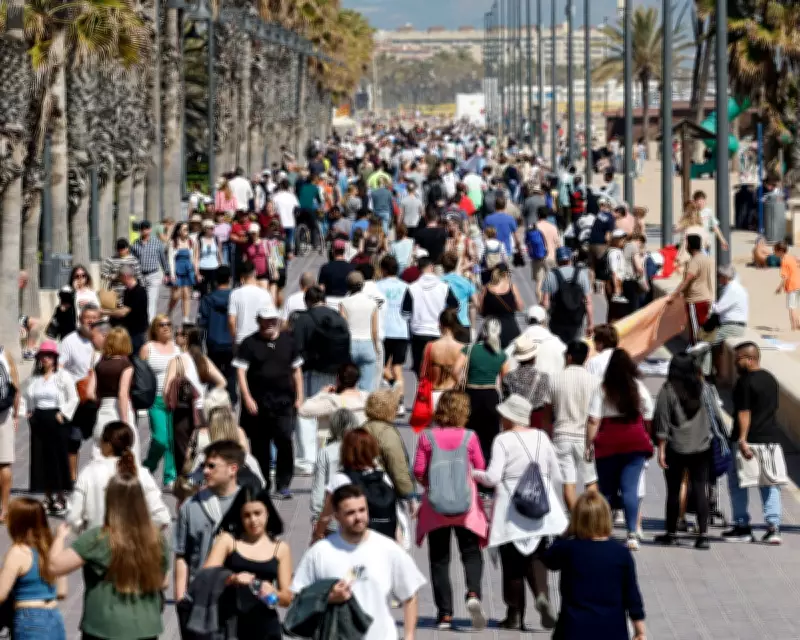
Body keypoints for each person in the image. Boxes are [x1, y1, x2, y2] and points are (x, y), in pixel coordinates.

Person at [472, 393, 564, 631]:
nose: (500, 419)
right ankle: (542, 595)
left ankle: (514, 616)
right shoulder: (543, 437)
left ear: (511, 418)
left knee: (511, 563)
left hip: (511, 509)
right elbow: (557, 474)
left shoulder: (502, 440)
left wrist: (473, 473)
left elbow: (492, 478)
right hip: (539, 508)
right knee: (537, 555)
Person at [48, 466, 171, 640]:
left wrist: (60, 537)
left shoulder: (98, 538)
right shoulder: (156, 538)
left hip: (104, 628)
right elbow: (163, 582)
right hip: (145, 628)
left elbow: (55, 566)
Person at [293, 484, 426, 640]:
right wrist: (328, 597)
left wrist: (409, 636)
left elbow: (410, 594)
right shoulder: (320, 552)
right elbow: (297, 597)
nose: (358, 517)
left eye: (362, 510)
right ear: (337, 516)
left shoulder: (388, 548)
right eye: (350, 513)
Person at [413, 390, 488, 630]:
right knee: (471, 552)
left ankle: (444, 614)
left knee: (439, 559)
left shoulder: (427, 437)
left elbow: (418, 470)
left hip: (436, 506)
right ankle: (473, 593)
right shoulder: (470, 437)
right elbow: (480, 467)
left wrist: (430, 485)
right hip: (466, 506)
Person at [543, 492, 647, 640]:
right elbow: (632, 595)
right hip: (612, 630)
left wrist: (564, 534)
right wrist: (640, 630)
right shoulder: (621, 554)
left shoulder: (568, 549)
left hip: (573, 629)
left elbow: (548, 559)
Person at [586, 349, 655, 550]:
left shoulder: (603, 388)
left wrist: (588, 444)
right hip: (634, 441)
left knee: (605, 489)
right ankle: (632, 533)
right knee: (630, 489)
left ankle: (603, 532)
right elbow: (649, 415)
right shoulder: (638, 387)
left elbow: (593, 419)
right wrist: (648, 437)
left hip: (608, 442)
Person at [203, 487, 292, 640]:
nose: (253, 520)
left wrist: (273, 593)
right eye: (247, 515)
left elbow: (287, 599)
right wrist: (232, 578)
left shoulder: (280, 549)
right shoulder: (228, 541)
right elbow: (205, 578)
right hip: (230, 625)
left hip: (265, 627)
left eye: (258, 513)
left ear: (268, 513)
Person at [653, 353, 721, 549]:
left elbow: (662, 420)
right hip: (702, 447)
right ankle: (703, 536)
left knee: (673, 491)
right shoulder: (705, 388)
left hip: (676, 447)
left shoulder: (668, 389)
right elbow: (715, 414)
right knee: (701, 489)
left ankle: (671, 533)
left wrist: (661, 449)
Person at [235, 307, 303, 499]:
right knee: (259, 446)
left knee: (285, 442)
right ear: (259, 321)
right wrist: (247, 397)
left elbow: (297, 370)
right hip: (258, 404)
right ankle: (263, 483)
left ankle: (283, 483)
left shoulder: (288, 341)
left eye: (274, 319)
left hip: (284, 402)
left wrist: (300, 397)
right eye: (266, 320)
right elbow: (241, 372)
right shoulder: (249, 343)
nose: (271, 323)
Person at [174, 440, 250, 604]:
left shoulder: (250, 505)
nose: (205, 472)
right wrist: (180, 599)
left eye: (212, 466)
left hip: (240, 601)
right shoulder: (191, 506)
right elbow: (181, 555)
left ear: (232, 469)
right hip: (201, 600)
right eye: (204, 466)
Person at [722, 342, 782, 544]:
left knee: (738, 483)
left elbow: (744, 412)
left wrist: (742, 440)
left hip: (748, 441)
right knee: (770, 484)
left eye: (738, 359)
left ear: (749, 359)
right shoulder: (771, 379)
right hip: (770, 440)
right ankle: (773, 528)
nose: (735, 363)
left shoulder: (745, 382)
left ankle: (742, 526)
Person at [291, 285, 352, 474]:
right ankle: (337, 456)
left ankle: (307, 461)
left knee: (306, 413)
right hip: (336, 373)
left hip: (312, 372)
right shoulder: (337, 317)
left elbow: (296, 348)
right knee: (334, 413)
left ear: (307, 301)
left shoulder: (304, 319)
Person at [69, 421, 169, 533]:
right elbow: (162, 518)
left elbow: (73, 517)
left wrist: (85, 535)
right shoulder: (142, 474)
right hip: (132, 546)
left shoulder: (89, 473)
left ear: (108, 445)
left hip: (96, 544)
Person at [0, 498, 67, 639]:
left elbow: (1, 593)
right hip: (54, 618)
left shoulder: (18, 552)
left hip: (29, 619)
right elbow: (62, 592)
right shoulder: (51, 550)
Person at [25, 341, 78, 516]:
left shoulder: (63, 376)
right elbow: (29, 397)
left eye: (49, 356)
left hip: (56, 420)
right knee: (41, 458)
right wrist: (30, 414)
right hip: (39, 420)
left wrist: (63, 414)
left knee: (58, 458)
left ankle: (61, 497)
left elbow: (73, 398)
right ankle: (48, 496)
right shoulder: (36, 378)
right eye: (43, 356)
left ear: (55, 358)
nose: (46, 359)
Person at [549, 340, 599, 509]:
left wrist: (546, 434)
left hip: (561, 435)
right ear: (585, 358)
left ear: (569, 357)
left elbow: (547, 414)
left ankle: (575, 521)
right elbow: (596, 416)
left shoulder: (554, 379)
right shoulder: (595, 382)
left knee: (568, 482)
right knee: (590, 480)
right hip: (586, 437)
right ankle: (591, 521)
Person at [455, 318, 510, 462]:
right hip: (491, 395)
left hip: (471, 394)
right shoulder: (502, 354)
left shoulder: (469, 349)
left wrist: (461, 382)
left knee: (470, 434)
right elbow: (505, 378)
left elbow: (455, 370)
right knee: (491, 437)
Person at [58, 304, 102, 481]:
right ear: (80, 319)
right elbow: (59, 368)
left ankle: (99, 477)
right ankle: (72, 477)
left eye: (94, 317)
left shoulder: (105, 339)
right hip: (79, 398)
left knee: (101, 439)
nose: (91, 321)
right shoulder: (70, 341)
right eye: (87, 317)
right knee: (73, 439)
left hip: (100, 399)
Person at [140, 314, 181, 487]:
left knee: (172, 440)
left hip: (174, 399)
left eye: (168, 324)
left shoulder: (177, 349)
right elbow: (139, 374)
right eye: (161, 325)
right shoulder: (147, 348)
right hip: (155, 400)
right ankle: (148, 466)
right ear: (155, 329)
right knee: (160, 439)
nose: (166, 327)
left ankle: (170, 476)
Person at [403, 256, 459, 376]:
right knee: (438, 370)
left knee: (420, 372)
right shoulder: (444, 287)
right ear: (432, 267)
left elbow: (405, 313)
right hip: (437, 331)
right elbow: (456, 307)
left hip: (418, 332)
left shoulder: (411, 287)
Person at [311, 409, 360, 534]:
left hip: (332, 519)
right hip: (358, 517)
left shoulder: (325, 453)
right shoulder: (362, 450)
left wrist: (317, 517)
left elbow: (319, 488)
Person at [91, 327, 137, 455]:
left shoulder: (99, 364)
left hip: (102, 413)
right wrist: (124, 422)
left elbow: (90, 392)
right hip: (118, 411)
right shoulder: (125, 365)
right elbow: (122, 394)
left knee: (99, 455)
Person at [199, 266, 236, 402]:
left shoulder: (208, 299)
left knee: (213, 376)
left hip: (213, 342)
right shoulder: (234, 297)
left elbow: (202, 323)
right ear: (230, 279)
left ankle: (214, 402)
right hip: (231, 342)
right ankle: (231, 403)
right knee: (231, 376)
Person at [668, 234, 714, 344]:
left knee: (695, 331)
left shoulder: (694, 261)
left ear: (690, 246)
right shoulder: (707, 259)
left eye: (687, 244)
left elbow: (687, 280)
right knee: (703, 327)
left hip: (695, 300)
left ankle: (695, 352)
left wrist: (674, 294)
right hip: (706, 298)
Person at [377, 255, 411, 403]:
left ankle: (393, 386)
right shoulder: (406, 286)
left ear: (383, 269)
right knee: (397, 368)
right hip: (401, 330)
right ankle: (400, 400)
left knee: (382, 368)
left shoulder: (378, 286)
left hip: (384, 331)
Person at [542, 246, 593, 343]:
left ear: (557, 260)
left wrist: (543, 322)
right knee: (575, 347)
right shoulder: (581, 274)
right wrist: (590, 323)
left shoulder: (551, 275)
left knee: (558, 347)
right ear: (570, 259)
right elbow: (588, 302)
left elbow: (545, 302)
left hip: (557, 320)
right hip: (576, 320)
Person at [339, 271, 380, 393]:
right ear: (362, 285)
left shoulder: (344, 303)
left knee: (347, 382)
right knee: (367, 385)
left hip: (350, 344)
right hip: (367, 343)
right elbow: (374, 330)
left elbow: (343, 328)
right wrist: (376, 346)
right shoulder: (372, 303)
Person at [502, 334, 553, 428]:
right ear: (534, 357)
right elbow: (545, 401)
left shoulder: (508, 378)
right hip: (536, 419)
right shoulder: (544, 377)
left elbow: (506, 401)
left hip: (515, 419)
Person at [228, 261, 277, 348]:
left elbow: (231, 321)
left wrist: (235, 337)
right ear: (255, 273)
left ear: (241, 276)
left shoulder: (234, 294)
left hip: (241, 340)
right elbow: (272, 318)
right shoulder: (265, 294)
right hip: (259, 340)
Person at [507, 305, 566, 377]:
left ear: (526, 320)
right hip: (552, 386)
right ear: (545, 321)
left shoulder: (516, 343)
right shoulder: (557, 343)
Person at [711, 264, 748, 377]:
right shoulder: (736, 287)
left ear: (725, 277)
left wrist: (709, 304)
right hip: (733, 324)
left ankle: (712, 373)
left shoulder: (732, 289)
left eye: (719, 276)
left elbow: (718, 308)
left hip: (732, 326)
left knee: (708, 343)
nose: (718, 279)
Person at [131, 220, 169, 323]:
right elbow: (132, 260)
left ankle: (150, 323)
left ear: (150, 229)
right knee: (141, 300)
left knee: (151, 300)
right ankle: (142, 320)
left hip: (153, 275)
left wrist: (167, 272)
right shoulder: (135, 244)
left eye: (146, 228)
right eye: (142, 229)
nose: (144, 231)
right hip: (140, 276)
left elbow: (163, 259)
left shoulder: (157, 243)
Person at [106, 266, 149, 353]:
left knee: (138, 359)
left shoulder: (139, 291)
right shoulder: (127, 291)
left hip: (138, 332)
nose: (120, 280)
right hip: (129, 331)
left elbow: (123, 312)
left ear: (125, 276)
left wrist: (103, 312)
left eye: (120, 277)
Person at [479, 264, 523, 349]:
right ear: (506, 274)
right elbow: (520, 307)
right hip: (510, 329)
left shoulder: (486, 288)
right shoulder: (511, 287)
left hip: (491, 329)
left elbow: (481, 310)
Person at [0, 341, 19, 522]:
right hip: (3, 414)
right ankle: (4, 510)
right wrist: (16, 414)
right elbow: (16, 386)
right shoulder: (5, 354)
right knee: (4, 464)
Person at [441, 251, 478, 339]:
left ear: (442, 265)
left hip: (445, 325)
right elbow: (477, 303)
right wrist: (466, 304)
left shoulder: (438, 282)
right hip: (463, 323)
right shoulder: (466, 282)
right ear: (456, 264)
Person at [100, 238, 143, 307]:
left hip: (130, 293)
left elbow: (139, 276)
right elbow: (102, 274)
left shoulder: (134, 260)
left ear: (127, 248)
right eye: (119, 249)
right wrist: (113, 277)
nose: (121, 251)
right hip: (115, 293)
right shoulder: (111, 260)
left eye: (123, 249)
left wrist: (142, 290)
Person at [318, 240, 356, 308]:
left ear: (333, 251)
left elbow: (321, 288)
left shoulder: (325, 267)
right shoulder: (351, 268)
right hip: (347, 302)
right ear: (344, 251)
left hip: (329, 302)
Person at [773, 240, 800, 330]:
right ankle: (797, 324)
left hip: (791, 286)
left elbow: (785, 277)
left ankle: (793, 327)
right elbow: (798, 262)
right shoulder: (791, 257)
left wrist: (779, 288)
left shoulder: (784, 261)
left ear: (780, 251)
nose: (774, 252)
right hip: (798, 284)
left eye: (775, 251)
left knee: (791, 308)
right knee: (795, 306)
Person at [196, 219, 223, 298]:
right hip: (203, 268)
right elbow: (196, 258)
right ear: (205, 229)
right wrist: (197, 273)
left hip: (214, 268)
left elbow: (220, 254)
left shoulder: (216, 239)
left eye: (213, 228)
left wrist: (221, 266)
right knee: (203, 293)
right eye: (210, 228)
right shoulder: (199, 241)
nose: (212, 229)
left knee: (215, 291)